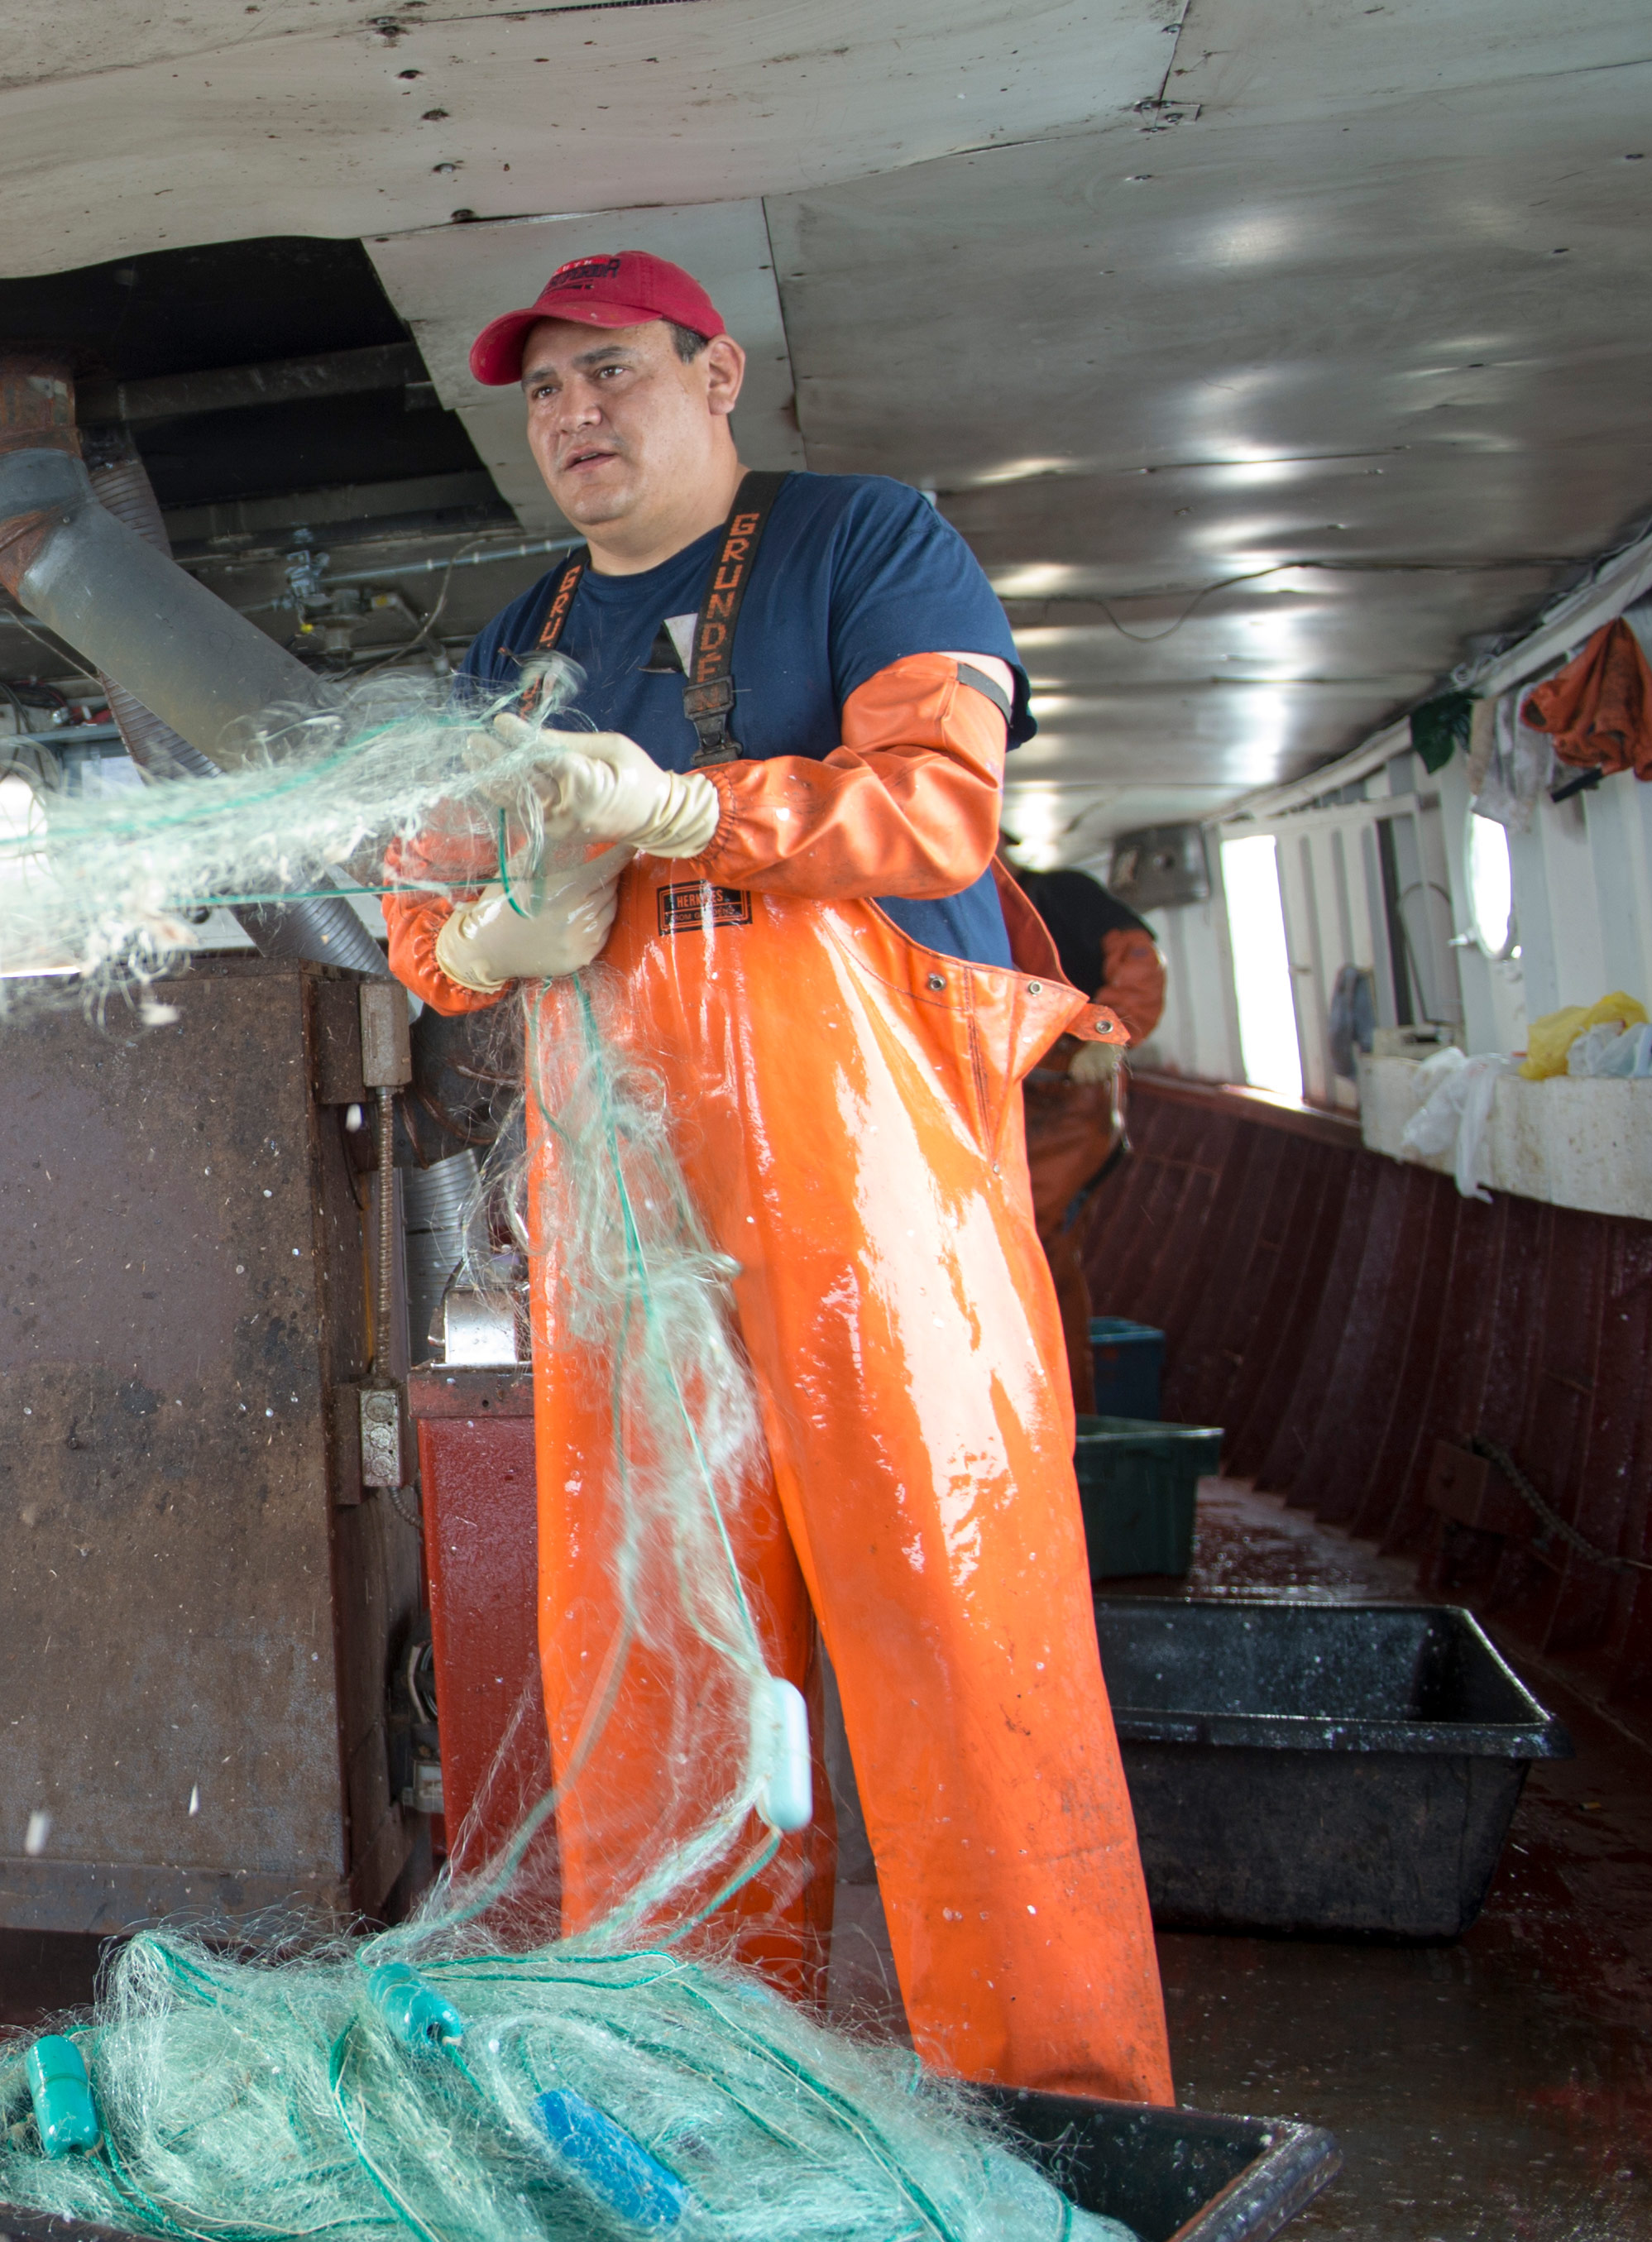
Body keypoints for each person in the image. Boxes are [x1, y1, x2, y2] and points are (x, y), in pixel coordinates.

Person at [375, 251, 1171, 2106]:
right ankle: (692, 2087)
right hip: (628, 1203)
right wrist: (497, 936)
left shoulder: (866, 543)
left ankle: (1058, 2112)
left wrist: (680, 814)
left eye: (611, 373)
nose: (576, 415)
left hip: (870, 1181)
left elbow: (935, 809)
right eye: (544, 393)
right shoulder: (523, 637)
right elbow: (428, 924)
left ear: (716, 373)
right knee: (653, 1648)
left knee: (959, 1637)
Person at [1008, 851, 1166, 1411]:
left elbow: (1138, 960)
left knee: (1039, 1246)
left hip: (1067, 1098)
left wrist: (1106, 1032)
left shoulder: (1061, 894)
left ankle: (1065, 1419)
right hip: (997, 1092)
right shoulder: (930, 903)